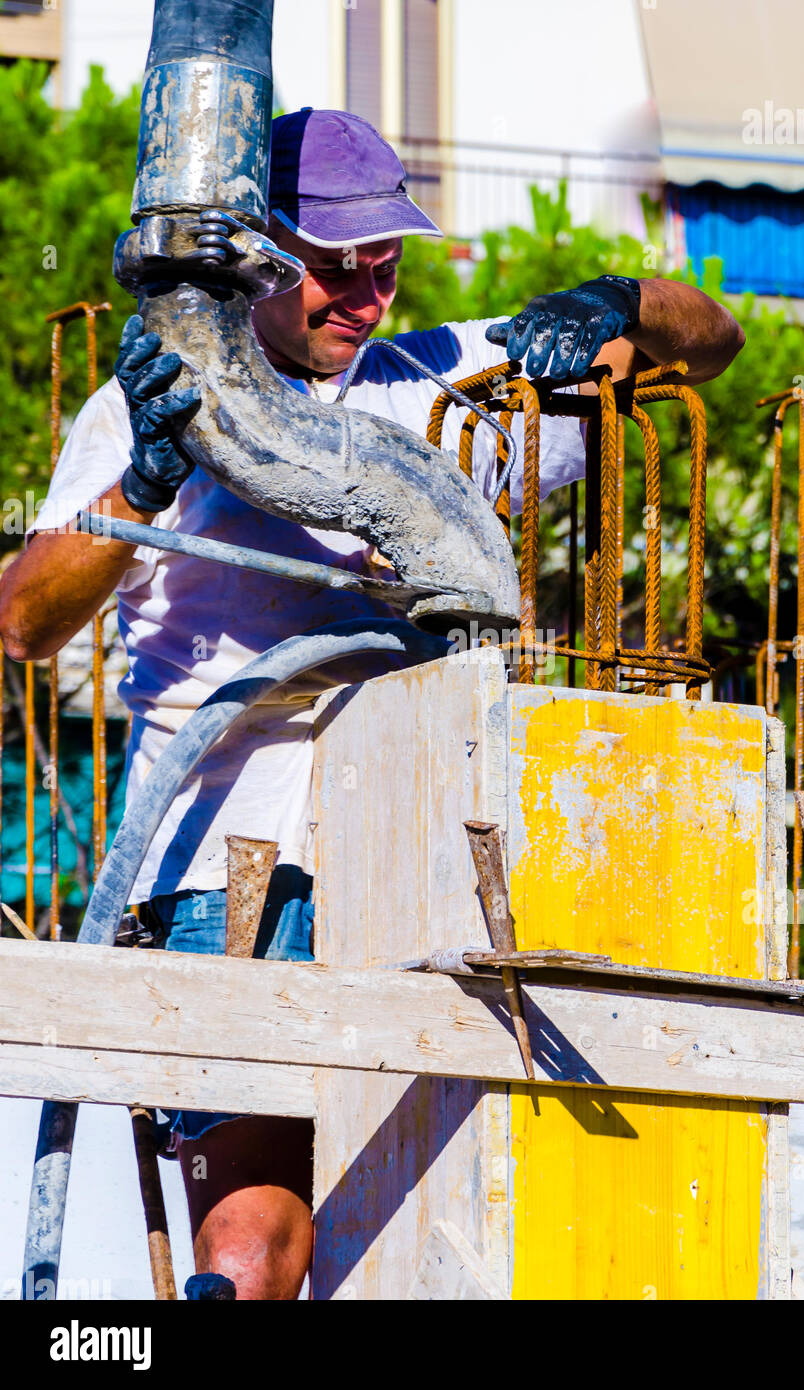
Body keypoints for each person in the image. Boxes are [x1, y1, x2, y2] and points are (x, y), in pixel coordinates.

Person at [0, 109, 743, 1299]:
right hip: (230, 874)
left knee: (426, 1234)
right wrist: (146, 477)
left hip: (425, 867)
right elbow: (25, 621)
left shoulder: (444, 389)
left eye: (382, 261)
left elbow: (713, 341)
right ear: (254, 248)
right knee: (257, 1247)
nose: (363, 295)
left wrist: (617, 301)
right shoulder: (159, 401)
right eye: (330, 265)